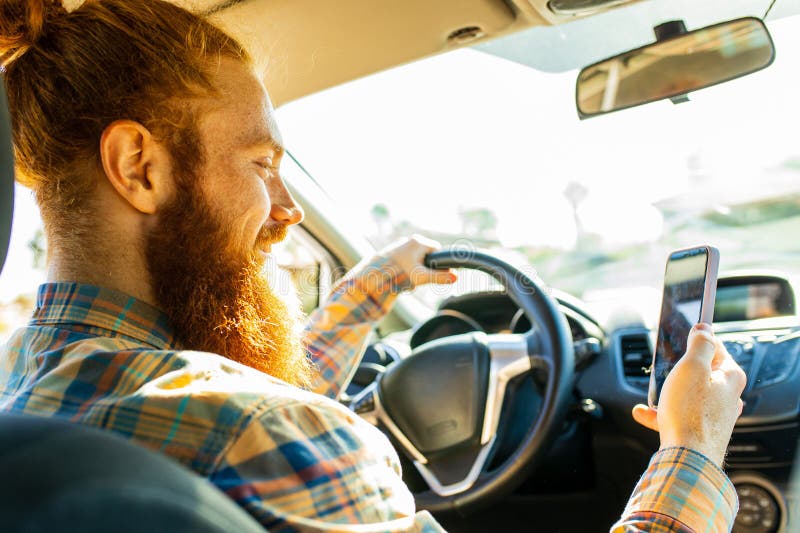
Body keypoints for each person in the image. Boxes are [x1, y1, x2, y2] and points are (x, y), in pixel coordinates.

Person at [0, 1, 746, 531]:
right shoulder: (275, 433)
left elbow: (224, 402)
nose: (287, 209)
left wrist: (374, 287)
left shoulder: (26, 396)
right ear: (139, 167)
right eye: (261, 163)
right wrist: (691, 448)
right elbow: (258, 419)